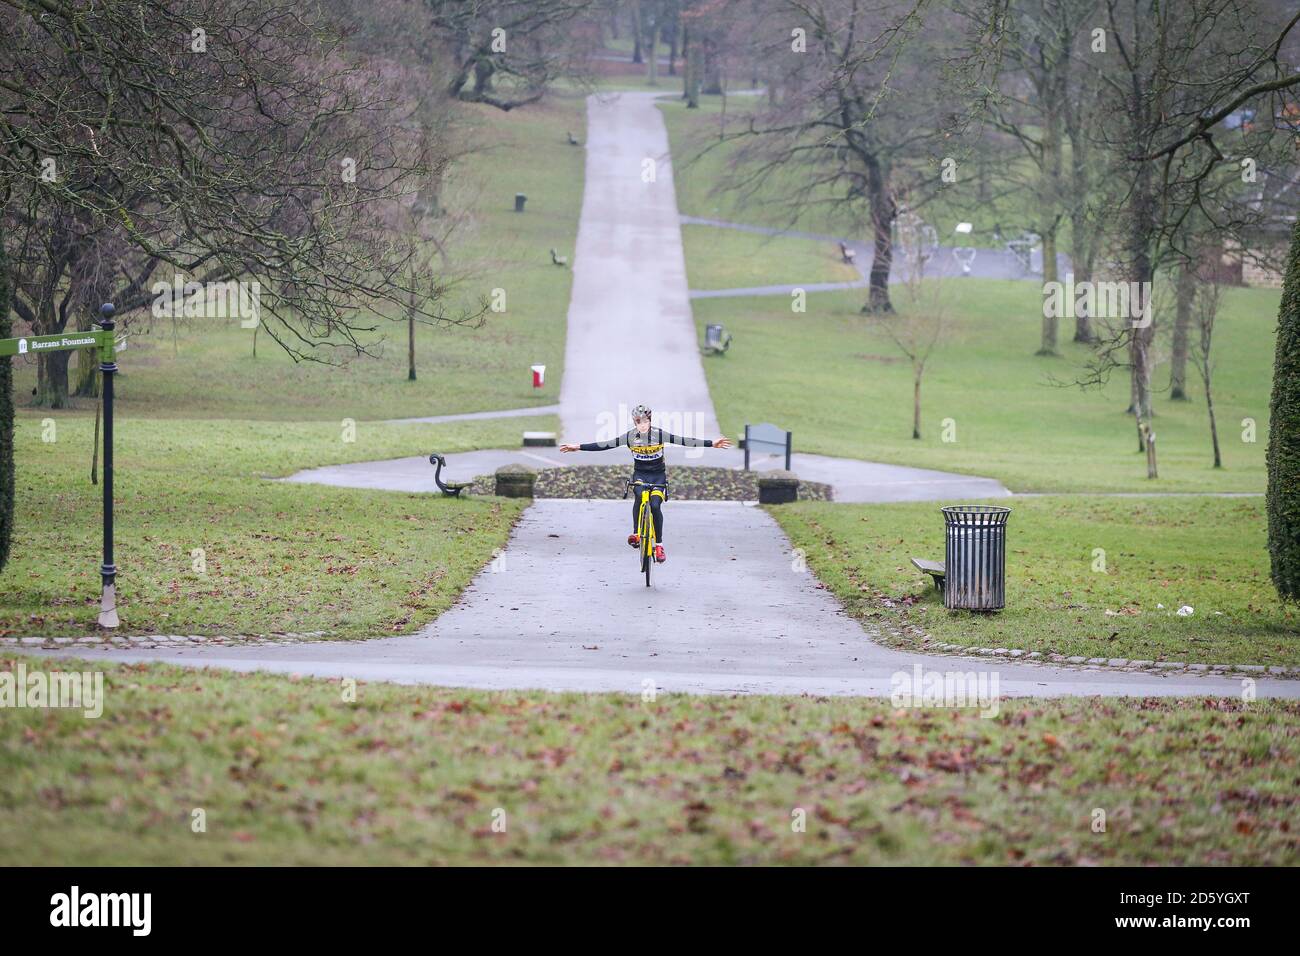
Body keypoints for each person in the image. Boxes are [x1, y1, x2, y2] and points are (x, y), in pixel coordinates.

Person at [559, 404, 732, 563]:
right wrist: (578, 446)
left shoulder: (659, 434)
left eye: (645, 421)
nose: (641, 425)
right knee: (640, 495)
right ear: (634, 422)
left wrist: (712, 444)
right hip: (640, 474)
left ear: (650, 420)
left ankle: (659, 546)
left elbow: (684, 440)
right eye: (638, 422)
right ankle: (636, 533)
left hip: (658, 476)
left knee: (655, 506)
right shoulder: (630, 437)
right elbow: (604, 445)